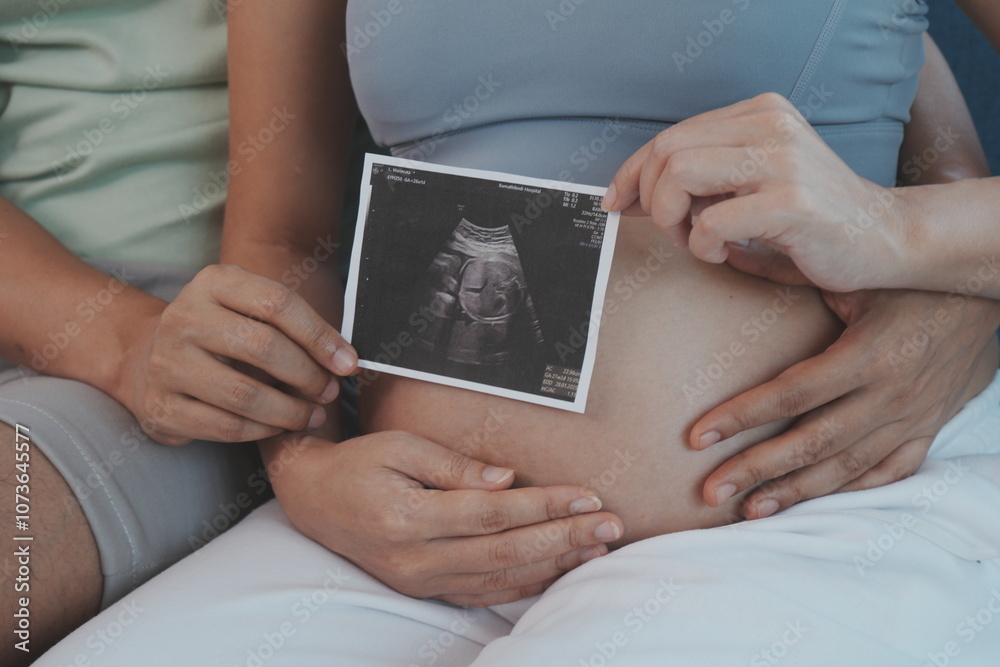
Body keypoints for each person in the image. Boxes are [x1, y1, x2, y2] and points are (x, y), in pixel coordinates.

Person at [34, 1, 1000, 665]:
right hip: (398, 539)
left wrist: (900, 231)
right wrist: (305, 466)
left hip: (794, 517)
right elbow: (284, 244)